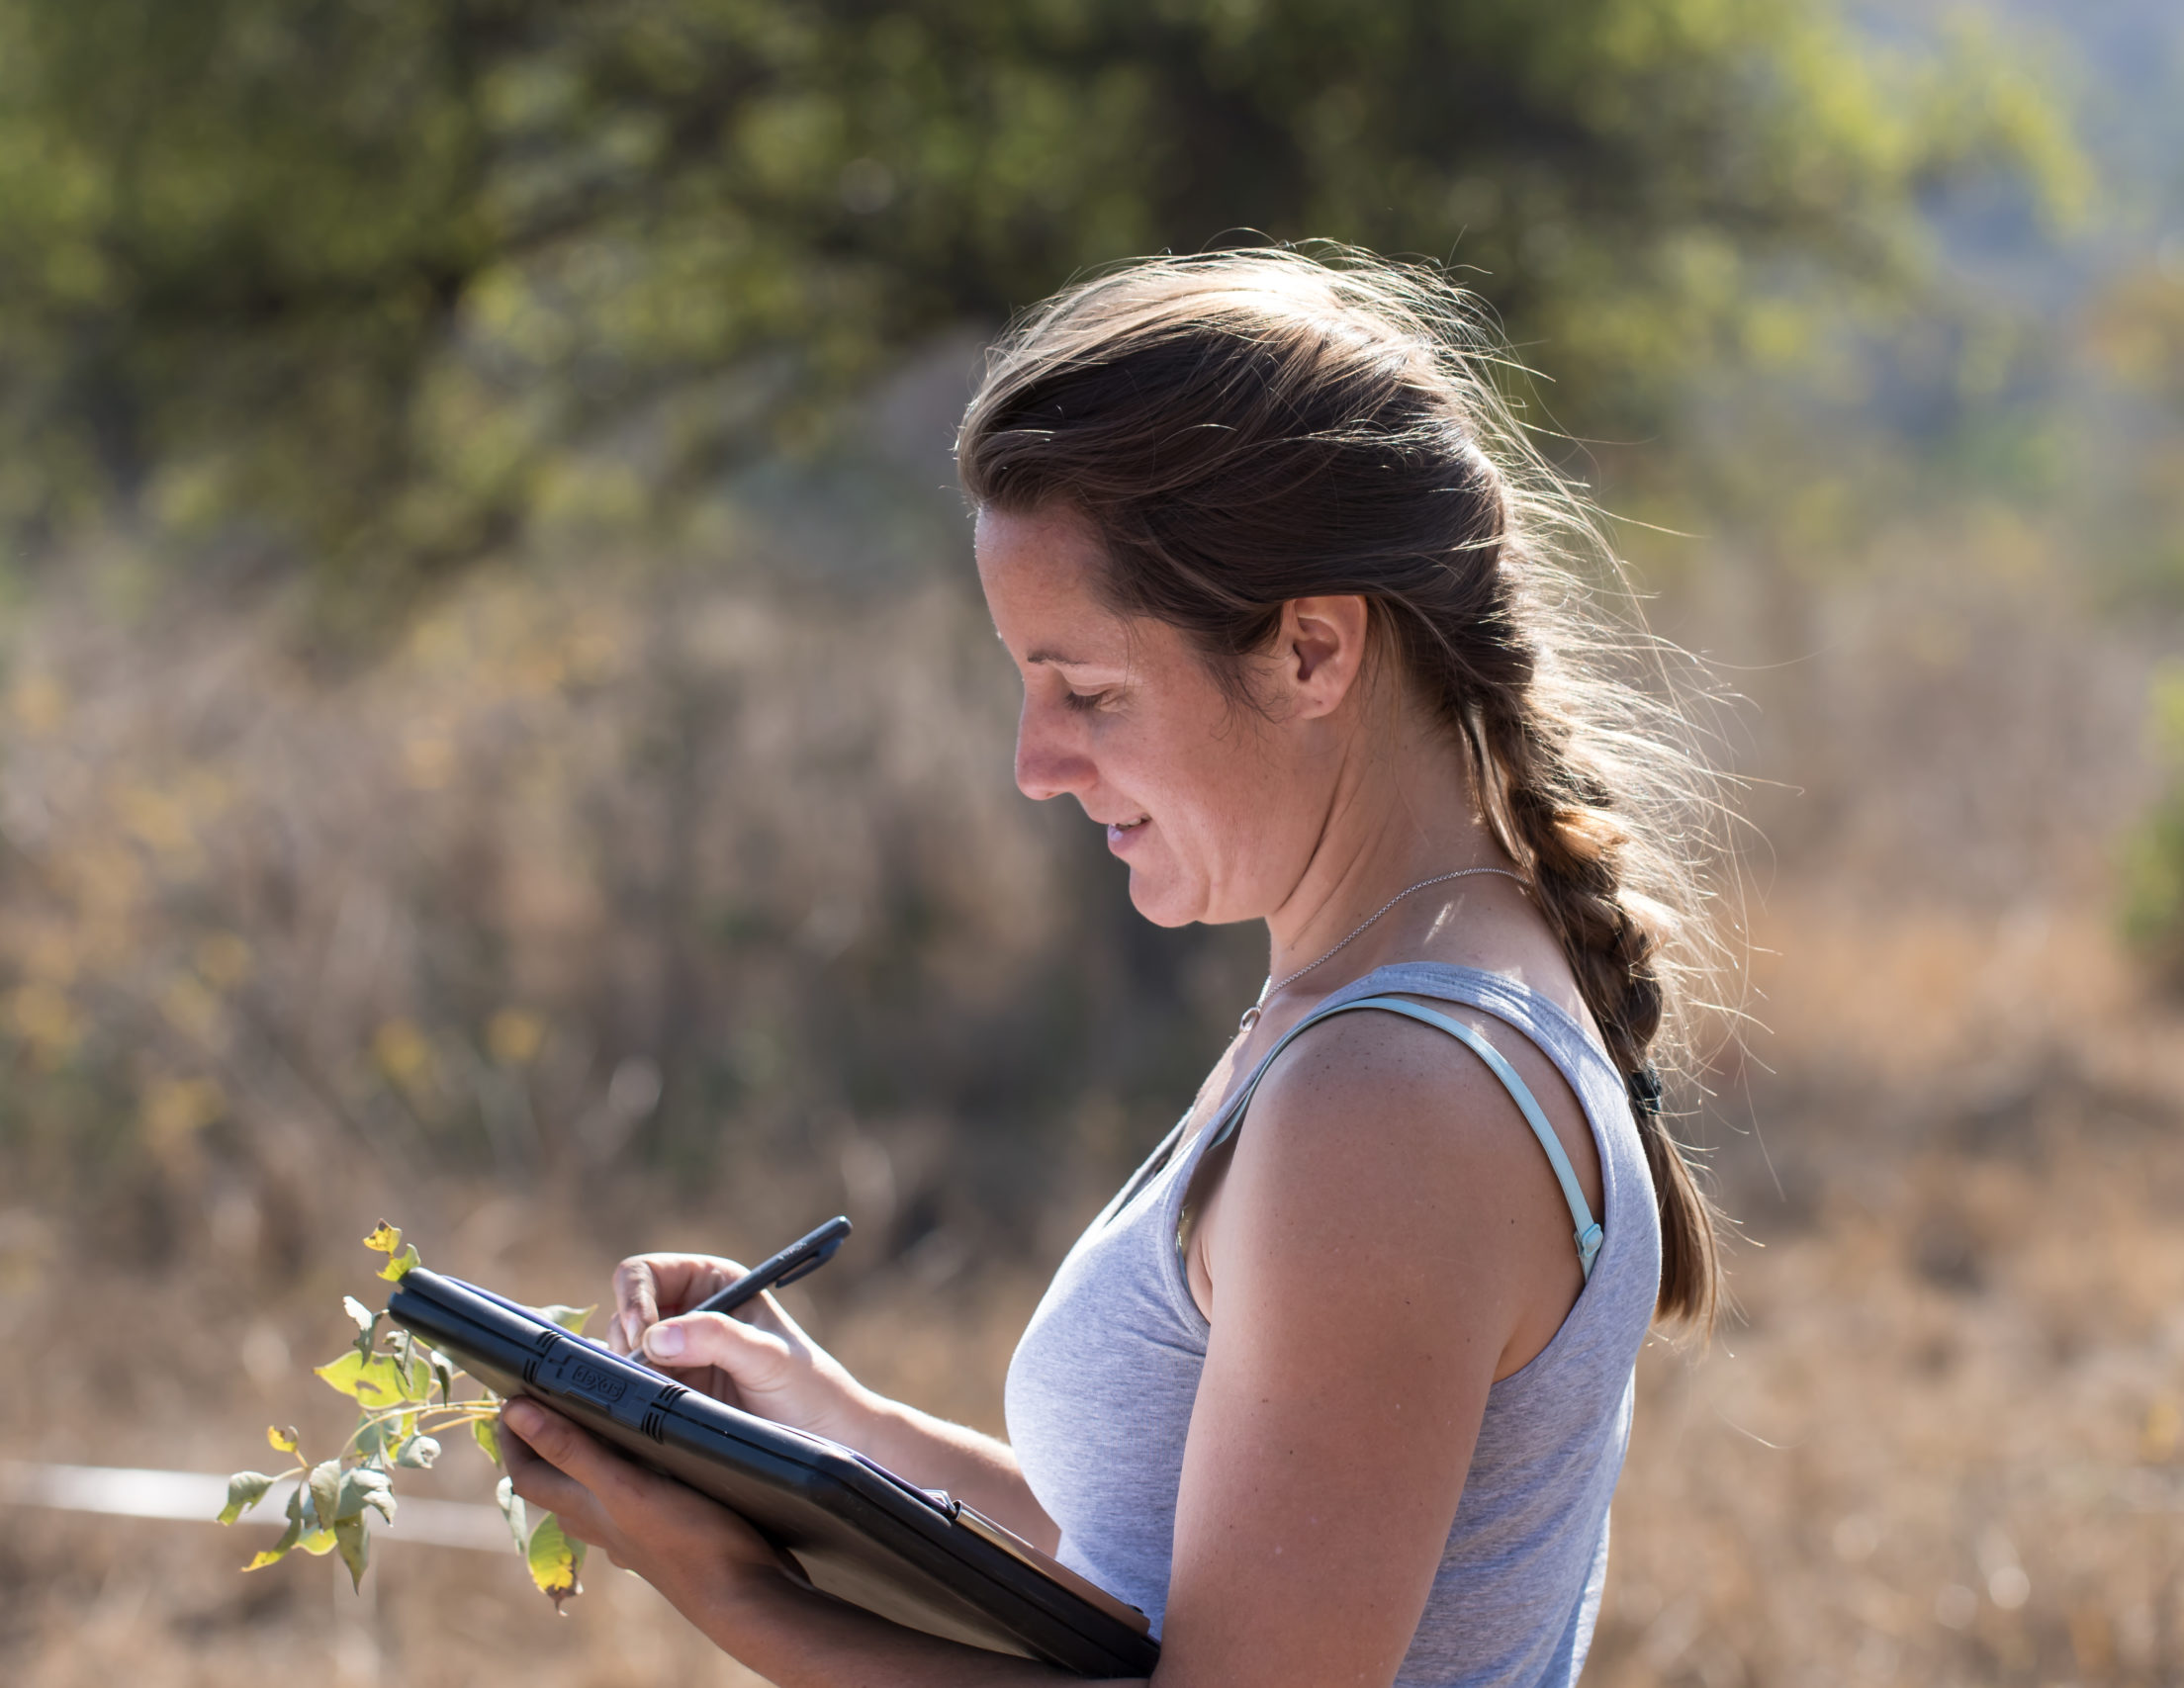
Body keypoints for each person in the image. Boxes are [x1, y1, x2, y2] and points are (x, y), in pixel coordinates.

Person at [496, 245, 1733, 1688]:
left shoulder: (1391, 1097)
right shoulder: (1389, 1006)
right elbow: (1177, 1566)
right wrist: (831, 1424)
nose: (1034, 765)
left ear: (1311, 651)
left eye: (1087, 691)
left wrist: (750, 1603)